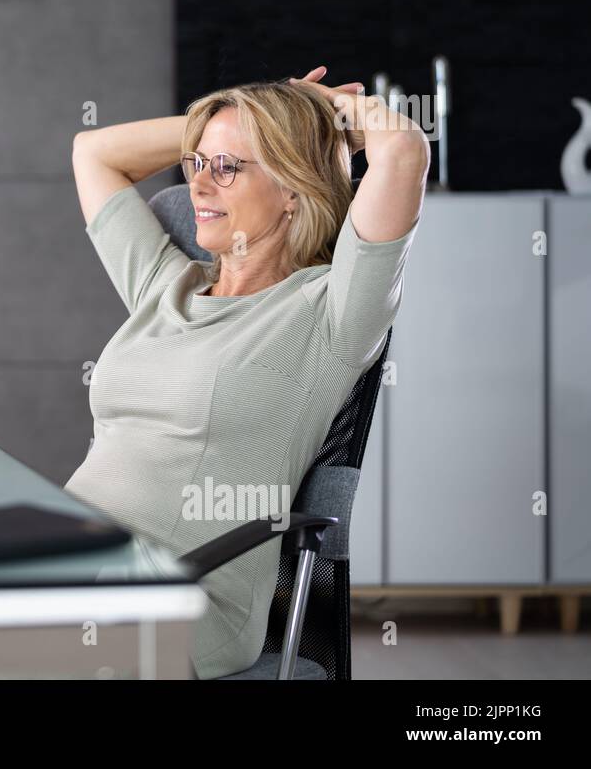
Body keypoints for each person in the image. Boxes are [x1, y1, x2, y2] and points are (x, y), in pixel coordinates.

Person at [65, 66, 430, 678]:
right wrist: (241, 122)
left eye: (228, 168)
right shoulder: (165, 285)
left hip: (178, 598)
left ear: (292, 189)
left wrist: (313, 112)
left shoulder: (330, 315)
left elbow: (404, 148)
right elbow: (92, 151)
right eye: (195, 163)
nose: (199, 184)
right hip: (67, 560)